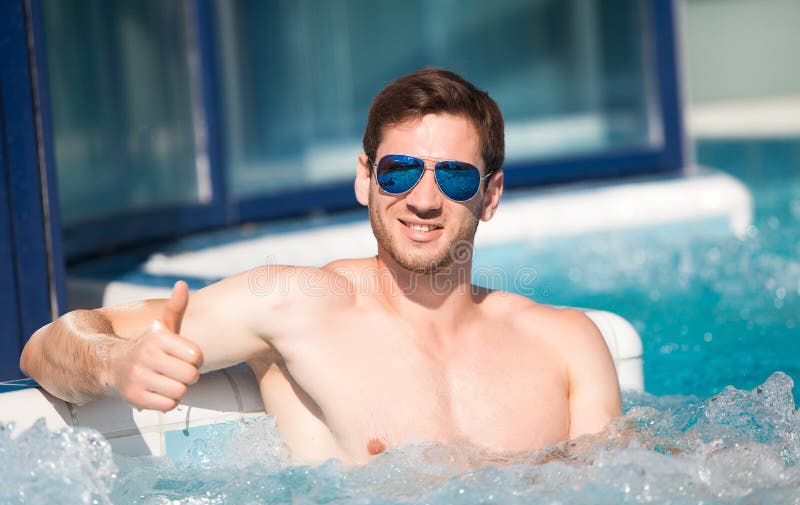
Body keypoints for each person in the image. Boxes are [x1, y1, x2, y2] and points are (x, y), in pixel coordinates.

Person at [20, 68, 622, 465]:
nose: (422, 198)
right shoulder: (294, 303)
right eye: (399, 170)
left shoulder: (565, 344)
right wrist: (115, 362)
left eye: (456, 175)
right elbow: (47, 345)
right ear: (365, 178)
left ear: (489, 197)